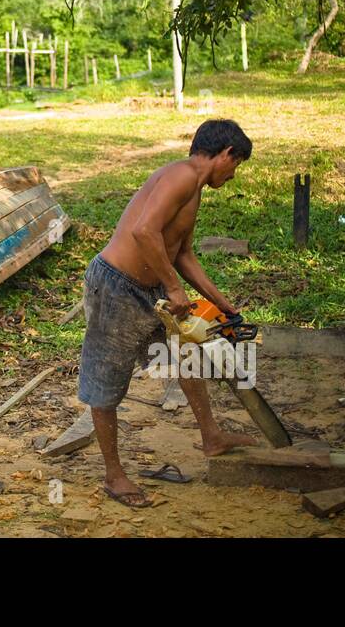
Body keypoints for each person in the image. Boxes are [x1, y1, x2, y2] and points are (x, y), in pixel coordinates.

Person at [79, 119, 259, 507]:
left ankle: (211, 436)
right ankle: (114, 475)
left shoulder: (193, 188)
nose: (233, 176)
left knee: (187, 354)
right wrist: (174, 288)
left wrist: (220, 300)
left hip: (151, 288)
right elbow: (143, 233)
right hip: (116, 287)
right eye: (237, 165)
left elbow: (182, 254)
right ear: (226, 153)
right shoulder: (180, 176)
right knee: (107, 378)